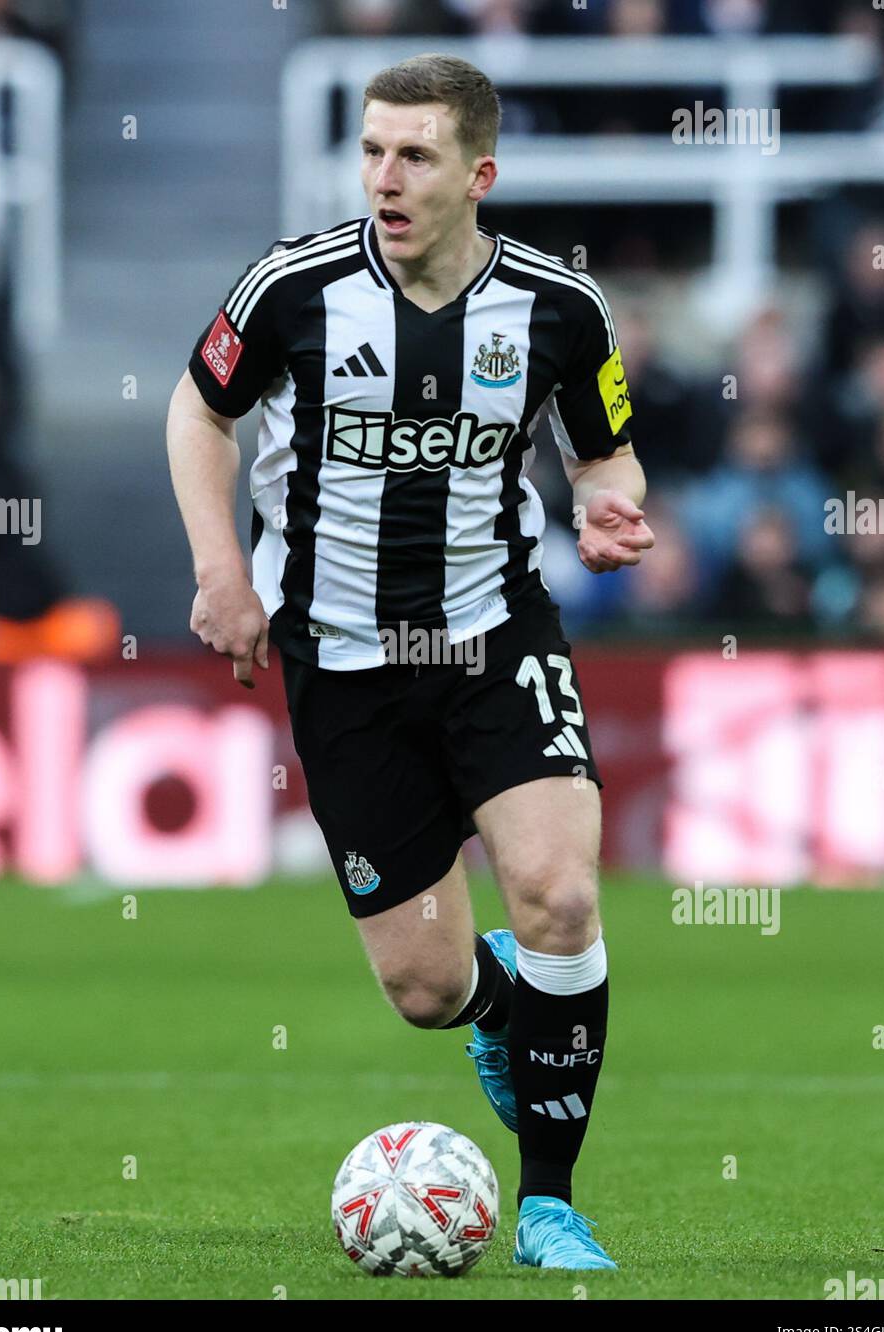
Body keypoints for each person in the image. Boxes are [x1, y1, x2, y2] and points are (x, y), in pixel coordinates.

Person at [166, 52, 653, 1270]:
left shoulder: (558, 308)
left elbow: (605, 453)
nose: (386, 177)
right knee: (426, 990)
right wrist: (222, 572)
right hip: (339, 659)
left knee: (559, 891)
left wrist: (608, 506)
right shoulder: (291, 289)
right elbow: (197, 410)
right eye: (373, 150)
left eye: (416, 155)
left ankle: (549, 1201)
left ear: (478, 173)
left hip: (495, 633)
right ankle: (500, 1002)